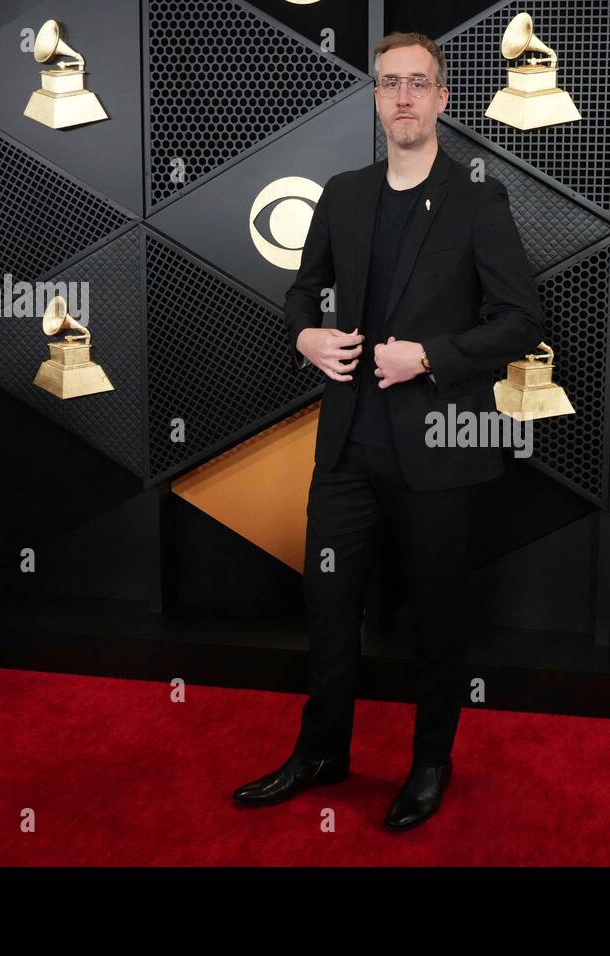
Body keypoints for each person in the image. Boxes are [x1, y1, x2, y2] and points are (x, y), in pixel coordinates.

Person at [232, 31, 546, 831]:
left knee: (437, 617)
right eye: (389, 84)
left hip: (438, 449)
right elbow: (302, 295)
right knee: (329, 610)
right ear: (375, 99)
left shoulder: (480, 199)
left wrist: (431, 357)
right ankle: (321, 753)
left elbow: (522, 321)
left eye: (418, 83)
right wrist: (304, 336)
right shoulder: (342, 193)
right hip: (345, 450)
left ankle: (430, 763)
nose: (402, 96)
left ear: (443, 100)